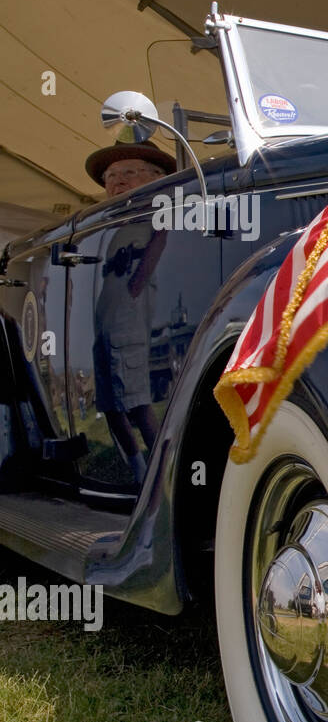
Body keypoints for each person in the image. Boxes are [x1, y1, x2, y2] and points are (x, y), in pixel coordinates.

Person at [83, 128, 176, 483]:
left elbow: (162, 239)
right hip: (106, 310)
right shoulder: (108, 222)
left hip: (129, 310)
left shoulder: (156, 207)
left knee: (134, 396)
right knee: (109, 398)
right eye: (111, 176)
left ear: (155, 177)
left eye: (128, 172)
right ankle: (137, 470)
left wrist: (138, 282)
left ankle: (161, 474)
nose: (117, 181)